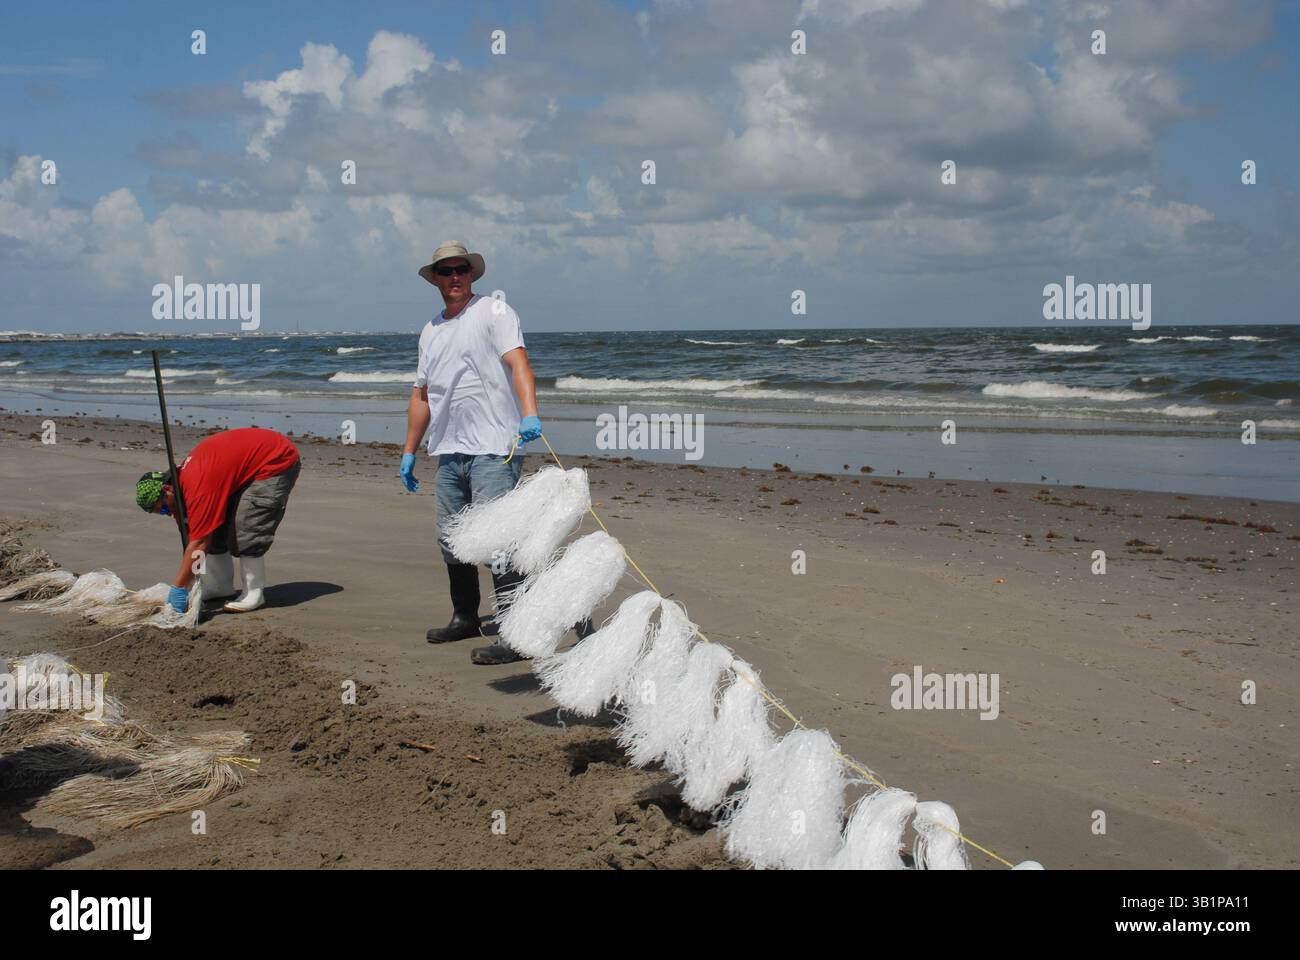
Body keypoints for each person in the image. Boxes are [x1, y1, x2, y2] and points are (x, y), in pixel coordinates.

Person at [402, 240, 586, 665]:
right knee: (452, 540)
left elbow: (519, 363)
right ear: (435, 279)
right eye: (445, 271)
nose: (454, 277)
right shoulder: (430, 330)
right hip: (449, 451)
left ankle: (514, 634)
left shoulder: (495, 313)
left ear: (471, 274)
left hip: (494, 450)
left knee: (499, 543)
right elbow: (422, 394)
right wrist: (409, 450)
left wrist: (529, 415)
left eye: (460, 269)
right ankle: (465, 616)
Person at [135, 427, 300, 616]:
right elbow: (194, 538)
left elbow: (199, 544)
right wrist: (195, 578)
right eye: (162, 513)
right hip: (243, 464)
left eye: (164, 508)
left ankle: (254, 593)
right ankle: (220, 586)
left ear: (167, 490)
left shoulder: (197, 489)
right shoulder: (179, 489)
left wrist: (180, 588)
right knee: (214, 528)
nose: (168, 513)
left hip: (275, 459)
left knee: (246, 528)